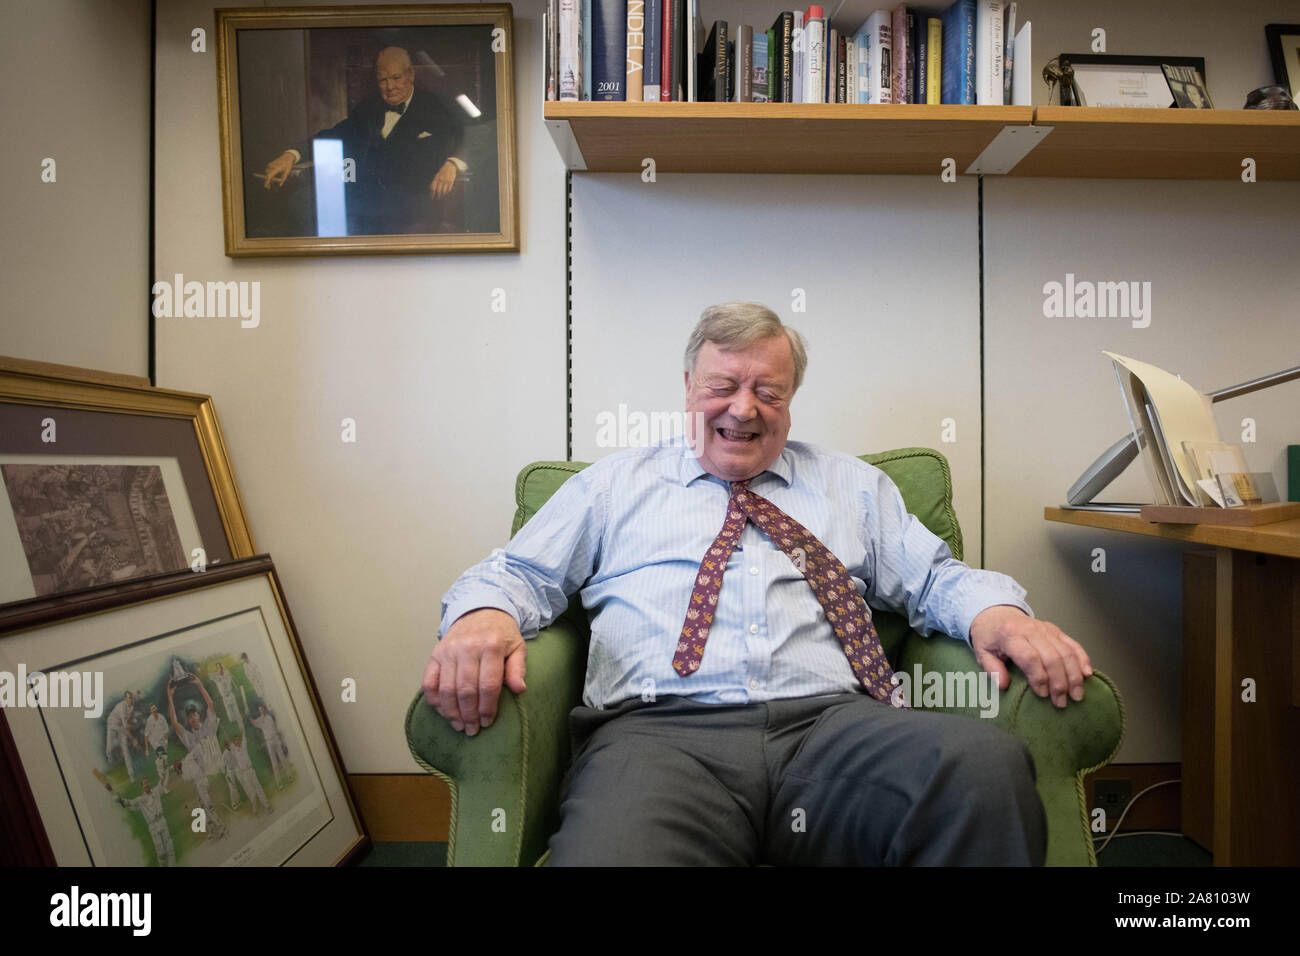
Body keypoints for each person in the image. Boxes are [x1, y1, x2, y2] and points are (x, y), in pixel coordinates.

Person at [424, 302, 1095, 866]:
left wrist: (1001, 617)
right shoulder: (613, 485)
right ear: (689, 386)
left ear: (791, 403)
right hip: (659, 737)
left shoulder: (851, 486)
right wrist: (484, 615)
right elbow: (517, 573)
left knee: (981, 769)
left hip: (834, 731)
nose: (743, 409)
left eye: (768, 391)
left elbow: (935, 580)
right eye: (723, 386)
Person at [261, 46, 467, 235]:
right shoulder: (368, 108)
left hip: (409, 204)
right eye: (383, 80)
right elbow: (335, 135)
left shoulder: (436, 106)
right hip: (366, 199)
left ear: (410, 74)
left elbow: (467, 137)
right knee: (302, 201)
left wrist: (453, 163)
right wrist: (291, 154)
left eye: (396, 78)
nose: (390, 87)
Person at [167, 677, 228, 840]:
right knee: (202, 801)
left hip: (214, 764)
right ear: (188, 720)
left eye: (194, 715)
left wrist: (200, 685)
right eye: (190, 717)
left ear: (198, 716)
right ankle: (211, 828)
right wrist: (170, 696)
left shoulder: (209, 726)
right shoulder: (189, 738)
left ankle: (220, 828)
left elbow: (211, 705)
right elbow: (174, 723)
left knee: (204, 802)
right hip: (200, 773)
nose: (193, 718)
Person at [112, 778, 175, 867]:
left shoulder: (156, 791)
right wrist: (120, 800)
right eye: (144, 784)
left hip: (161, 821)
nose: (146, 785)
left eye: (147, 782)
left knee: (169, 847)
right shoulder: (140, 800)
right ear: (142, 787)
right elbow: (129, 803)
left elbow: (163, 781)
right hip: (153, 826)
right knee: (161, 852)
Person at [222, 735, 272, 816]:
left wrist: (242, 725)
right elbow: (229, 742)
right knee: (252, 793)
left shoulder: (244, 747)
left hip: (251, 770)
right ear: (234, 743)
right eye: (236, 741)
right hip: (245, 774)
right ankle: (255, 808)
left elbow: (244, 736)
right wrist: (228, 739)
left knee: (259, 788)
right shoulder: (234, 751)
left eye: (238, 740)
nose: (237, 742)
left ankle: (267, 806)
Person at [250, 704, 291, 789]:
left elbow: (273, 728)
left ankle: (289, 776)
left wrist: (277, 738)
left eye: (262, 709)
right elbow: (254, 723)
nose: (262, 711)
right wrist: (249, 717)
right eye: (260, 710)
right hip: (269, 742)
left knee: (282, 758)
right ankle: (279, 783)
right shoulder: (260, 720)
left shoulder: (269, 717)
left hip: (275, 739)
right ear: (260, 711)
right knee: (274, 762)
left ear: (265, 709)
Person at [104, 691, 140, 782]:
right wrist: (132, 739)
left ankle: (131, 776)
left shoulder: (131, 705)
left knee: (126, 751)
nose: (130, 700)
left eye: (131, 698)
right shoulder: (121, 707)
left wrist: (133, 722)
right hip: (112, 725)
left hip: (121, 727)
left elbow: (129, 720)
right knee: (109, 748)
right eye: (128, 698)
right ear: (125, 699)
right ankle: (109, 758)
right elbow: (126, 727)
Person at [142, 703, 172, 793]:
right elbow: (146, 735)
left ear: (157, 709)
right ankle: (164, 786)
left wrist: (166, 741)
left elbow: (166, 729)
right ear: (150, 711)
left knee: (164, 763)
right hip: (156, 744)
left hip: (163, 741)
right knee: (163, 761)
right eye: (152, 709)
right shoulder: (149, 721)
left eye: (155, 708)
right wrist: (147, 749)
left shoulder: (161, 717)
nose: (154, 710)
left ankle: (162, 781)